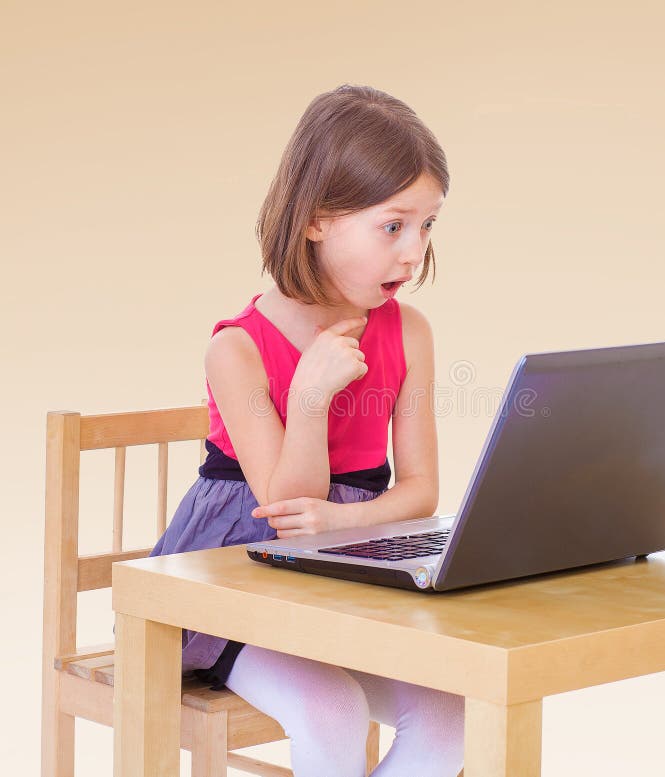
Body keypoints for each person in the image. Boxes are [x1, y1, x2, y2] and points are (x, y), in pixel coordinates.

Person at [147, 83, 465, 776]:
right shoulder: (235, 349)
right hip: (240, 589)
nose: (413, 253)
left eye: (428, 225)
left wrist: (343, 520)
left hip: (349, 581)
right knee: (332, 713)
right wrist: (312, 395)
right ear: (318, 219)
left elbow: (421, 490)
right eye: (393, 225)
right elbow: (287, 509)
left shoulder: (409, 332)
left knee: (452, 714)